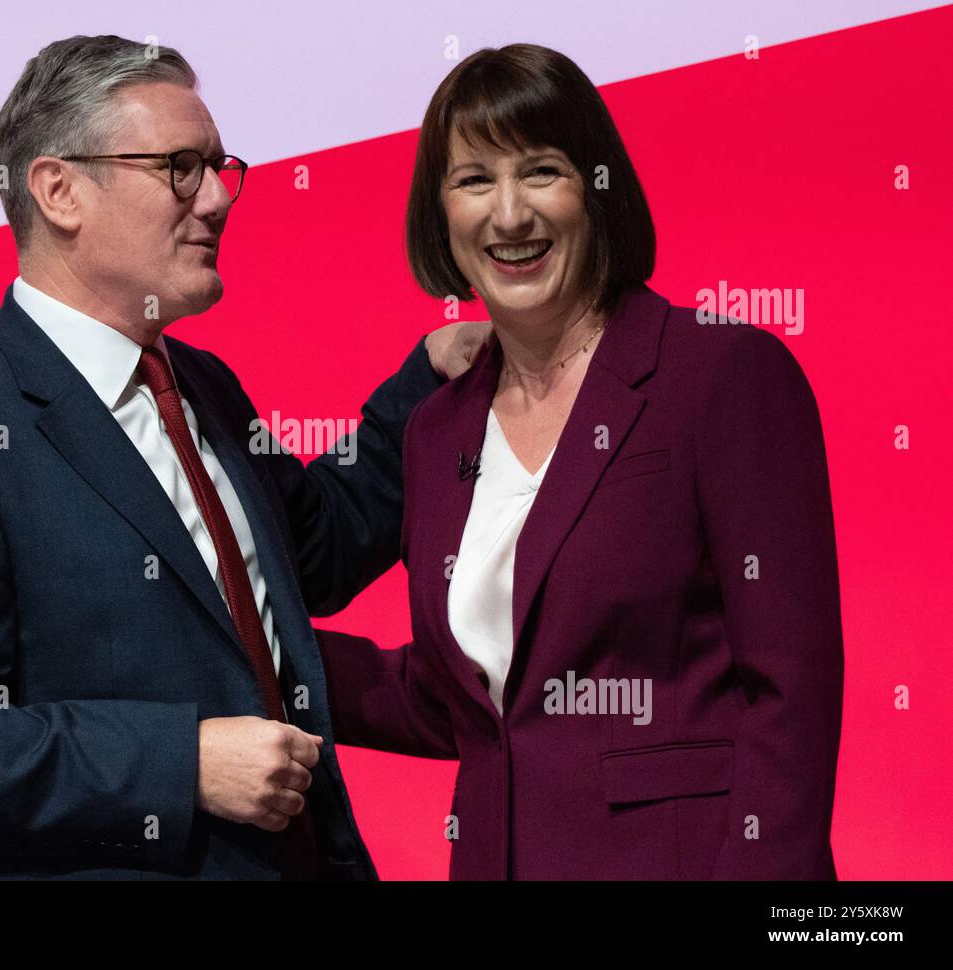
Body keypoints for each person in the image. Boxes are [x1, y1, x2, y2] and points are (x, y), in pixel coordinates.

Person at [0, 34, 486, 880]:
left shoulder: (202, 385)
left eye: (218, 166)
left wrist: (426, 383)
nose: (216, 198)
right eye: (180, 166)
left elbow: (312, 553)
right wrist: (179, 763)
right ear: (59, 189)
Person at [315, 43, 844, 880]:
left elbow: (792, 693)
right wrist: (251, 656)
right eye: (474, 180)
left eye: (543, 171)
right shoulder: (437, 429)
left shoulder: (721, 374)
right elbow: (465, 699)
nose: (511, 214)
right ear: (439, 213)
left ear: (598, 190)